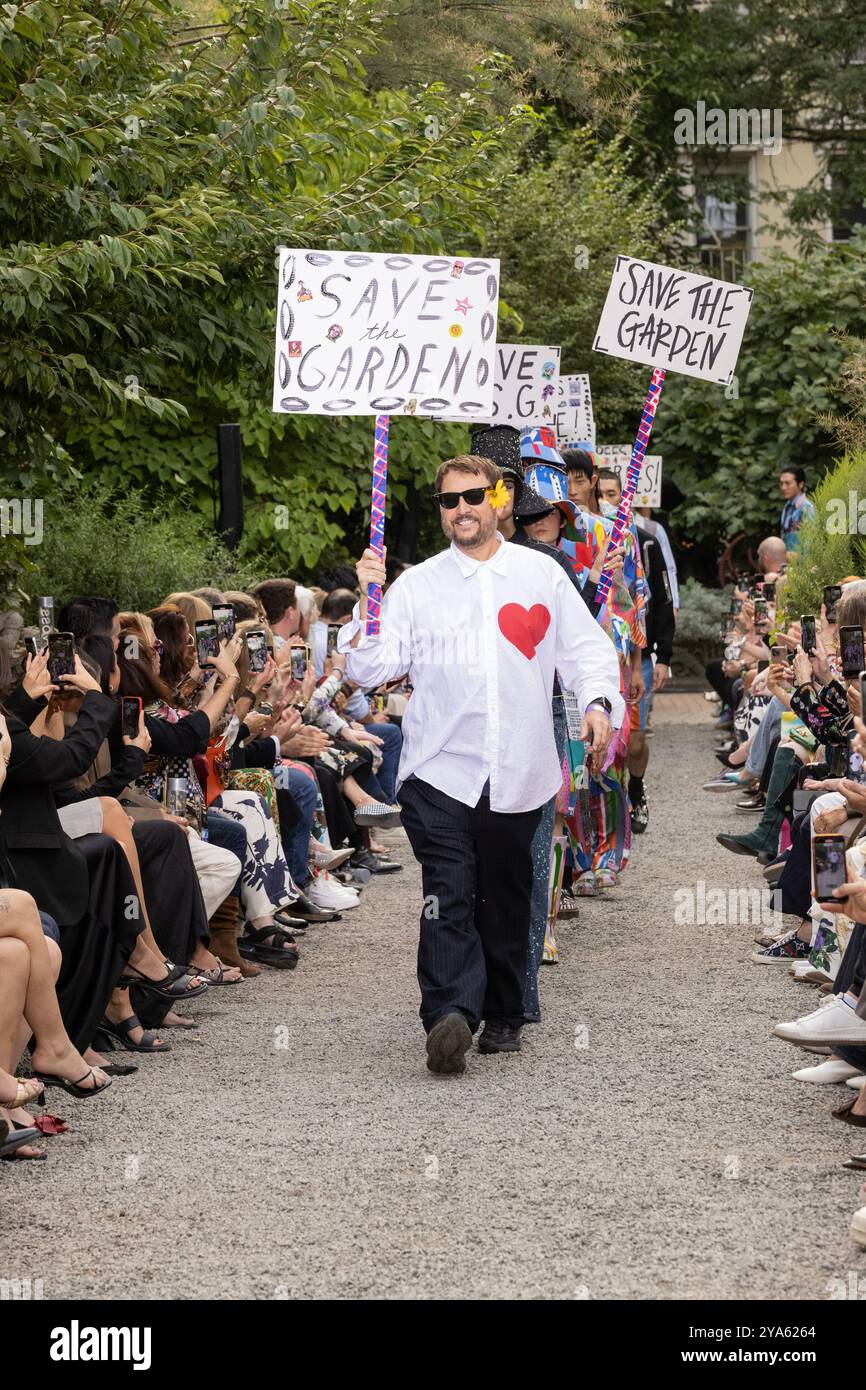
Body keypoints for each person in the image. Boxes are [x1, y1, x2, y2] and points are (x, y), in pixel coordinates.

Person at [341, 452, 624, 1076]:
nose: (462, 509)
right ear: (440, 511)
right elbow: (369, 667)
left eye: (474, 496)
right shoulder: (415, 586)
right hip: (440, 771)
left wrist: (600, 704)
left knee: (506, 892)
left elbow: (585, 651)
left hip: (520, 768)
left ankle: (503, 1011)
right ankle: (448, 1013)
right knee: (448, 890)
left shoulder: (541, 576)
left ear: (497, 499)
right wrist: (369, 601)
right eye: (449, 501)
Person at [780, 466, 816, 552]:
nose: (783, 488)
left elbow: (810, 541)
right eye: (781, 483)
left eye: (787, 483)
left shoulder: (807, 508)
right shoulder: (787, 507)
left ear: (800, 484)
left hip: (801, 563)